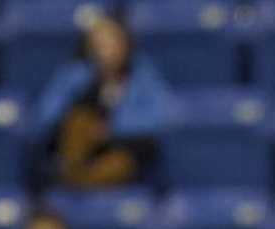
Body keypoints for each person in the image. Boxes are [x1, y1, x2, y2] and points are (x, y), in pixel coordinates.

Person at [34, 14, 172, 188]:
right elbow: (46, 116)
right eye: (99, 44)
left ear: (125, 44)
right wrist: (85, 128)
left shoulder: (143, 77)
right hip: (76, 151)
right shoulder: (74, 75)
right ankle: (74, 177)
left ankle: (76, 181)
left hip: (122, 149)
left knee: (120, 162)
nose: (105, 52)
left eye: (111, 43)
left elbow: (157, 118)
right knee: (78, 122)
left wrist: (109, 131)